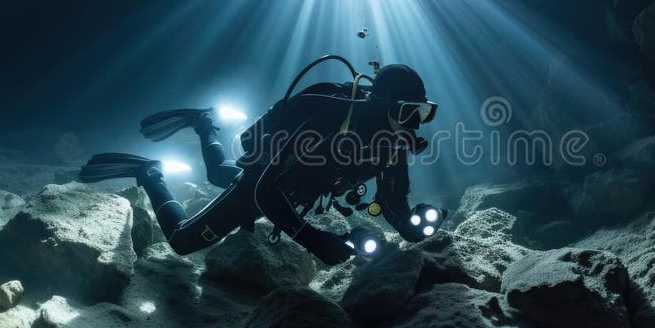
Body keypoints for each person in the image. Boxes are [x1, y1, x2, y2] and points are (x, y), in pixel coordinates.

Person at [78, 63, 441, 265]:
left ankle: (205, 123)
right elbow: (263, 188)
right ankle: (149, 172)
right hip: (267, 183)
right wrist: (312, 239)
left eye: (423, 114)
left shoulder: (393, 142)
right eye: (408, 112)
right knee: (182, 242)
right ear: (380, 104)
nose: (413, 124)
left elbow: (394, 204)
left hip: (289, 187)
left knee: (220, 173)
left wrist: (412, 228)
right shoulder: (328, 121)